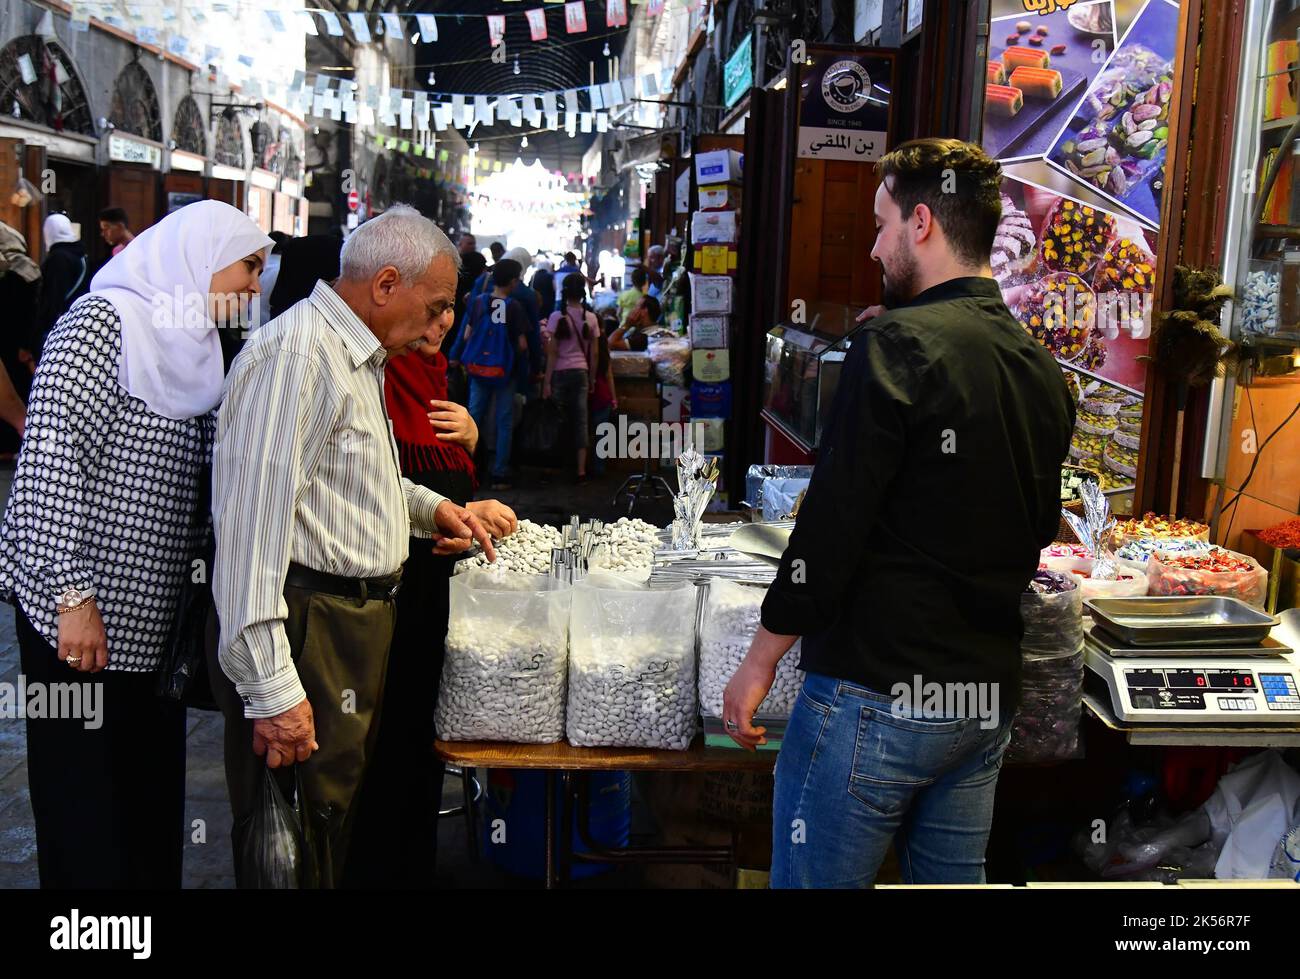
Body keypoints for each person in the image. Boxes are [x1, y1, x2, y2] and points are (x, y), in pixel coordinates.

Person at [722, 138, 1076, 888]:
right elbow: (1038, 527)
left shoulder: (895, 344)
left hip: (876, 697)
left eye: (883, 224)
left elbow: (832, 525)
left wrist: (758, 662)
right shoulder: (1042, 369)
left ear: (923, 223)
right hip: (981, 702)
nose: (876, 246)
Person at [210, 204, 496, 887]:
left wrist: (434, 509)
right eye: (436, 306)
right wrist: (274, 690)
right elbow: (251, 534)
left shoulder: (355, 353)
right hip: (312, 626)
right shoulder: (298, 355)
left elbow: (357, 477)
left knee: (329, 828)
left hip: (349, 626)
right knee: (294, 842)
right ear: (386, 283)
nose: (443, 324)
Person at [0, 200, 272, 888]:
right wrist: (72, 597)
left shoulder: (204, 346)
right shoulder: (101, 325)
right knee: (84, 808)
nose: (252, 284)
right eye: (245, 265)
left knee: (146, 804)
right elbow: (50, 465)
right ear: (198, 255)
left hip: (153, 632)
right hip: (79, 623)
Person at [344, 314, 517, 889]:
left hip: (434, 604)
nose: (442, 321)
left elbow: (453, 483)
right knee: (380, 750)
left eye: (450, 306)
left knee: (422, 744)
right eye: (431, 305)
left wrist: (476, 453)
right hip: (386, 602)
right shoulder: (368, 381)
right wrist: (445, 517)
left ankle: (410, 863)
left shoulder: (437, 381)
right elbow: (362, 495)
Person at [449, 259, 531, 489]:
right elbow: (523, 344)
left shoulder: (478, 302)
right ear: (513, 281)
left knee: (474, 415)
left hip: (478, 368)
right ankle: (499, 473)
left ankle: (467, 466)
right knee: (504, 421)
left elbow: (466, 335)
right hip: (504, 372)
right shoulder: (514, 306)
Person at [543, 272, 600, 482]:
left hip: (559, 373)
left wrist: (547, 381)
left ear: (564, 291)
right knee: (580, 420)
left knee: (557, 420)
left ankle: (554, 467)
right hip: (581, 373)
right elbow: (594, 354)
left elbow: (552, 353)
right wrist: (592, 379)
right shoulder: (592, 318)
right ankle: (581, 471)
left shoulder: (556, 317)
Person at [35, 213, 89, 358]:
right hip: (76, 322)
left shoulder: (58, 258)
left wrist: (39, 329)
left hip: (57, 327)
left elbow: (53, 296)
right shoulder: (79, 255)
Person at [588, 321, 617, 478]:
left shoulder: (583, 344)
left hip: (586, 393)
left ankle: (582, 467)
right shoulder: (603, 346)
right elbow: (608, 375)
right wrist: (614, 398)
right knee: (601, 435)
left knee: (584, 432)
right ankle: (599, 468)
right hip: (602, 395)